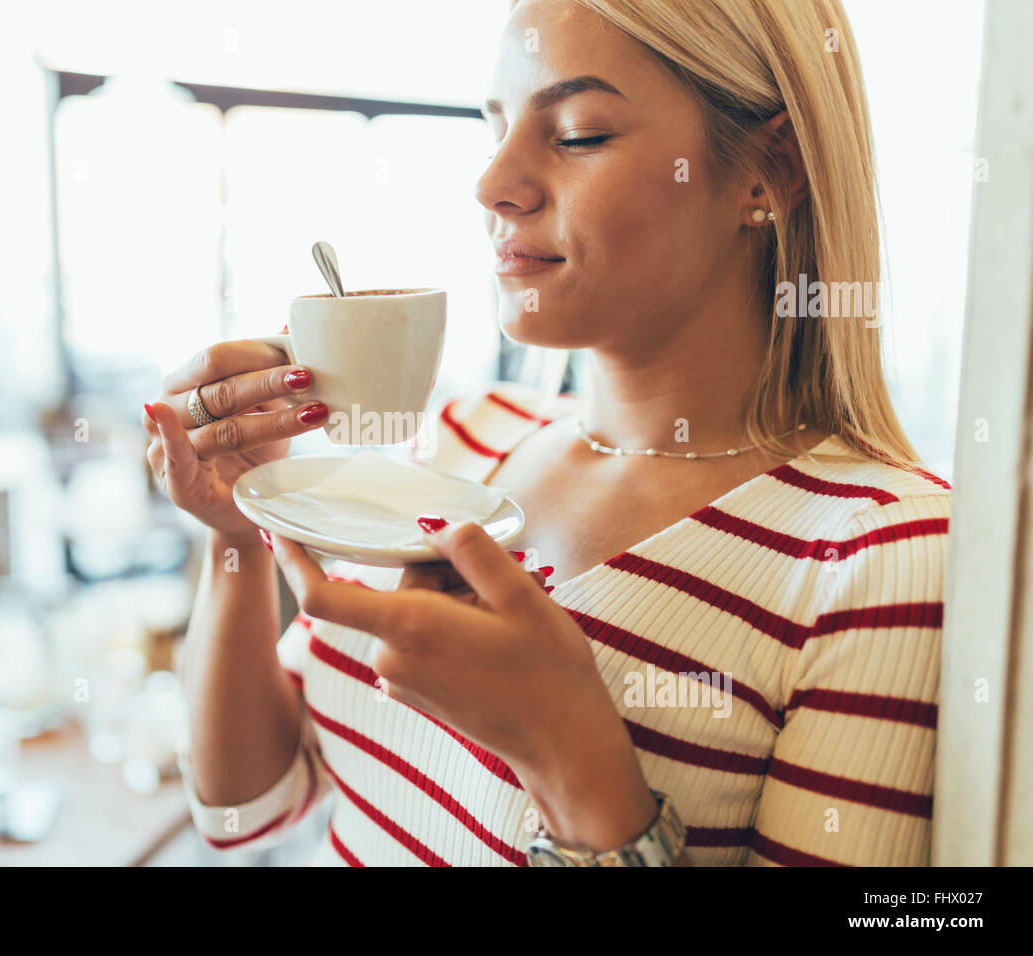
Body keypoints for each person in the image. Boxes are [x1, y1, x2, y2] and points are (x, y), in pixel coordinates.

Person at [142, 0, 950, 866]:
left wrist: (570, 757)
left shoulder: (884, 555)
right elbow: (244, 812)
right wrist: (235, 541)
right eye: (497, 127)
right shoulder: (462, 441)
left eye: (577, 134)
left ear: (772, 171)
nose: (492, 184)